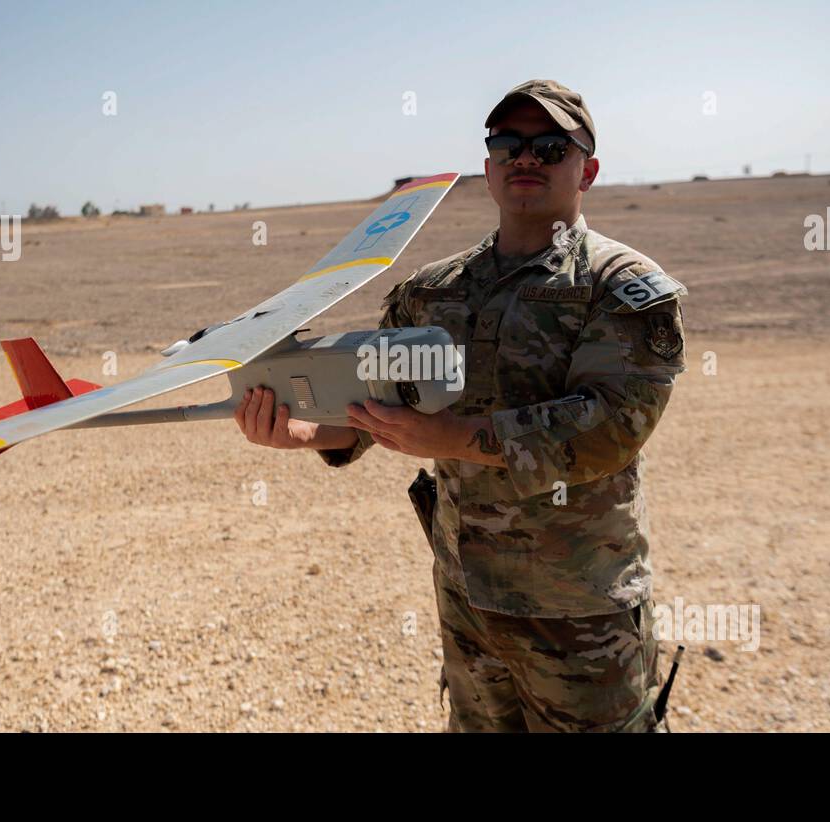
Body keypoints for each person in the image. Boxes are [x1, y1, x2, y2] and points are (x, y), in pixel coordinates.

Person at [233, 79, 687, 732]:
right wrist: (303, 433)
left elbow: (610, 427)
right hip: (467, 598)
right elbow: (372, 410)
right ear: (488, 167)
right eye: (508, 144)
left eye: (550, 145)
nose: (525, 157)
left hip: (578, 608)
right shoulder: (431, 292)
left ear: (587, 169)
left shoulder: (618, 287)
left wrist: (451, 437)